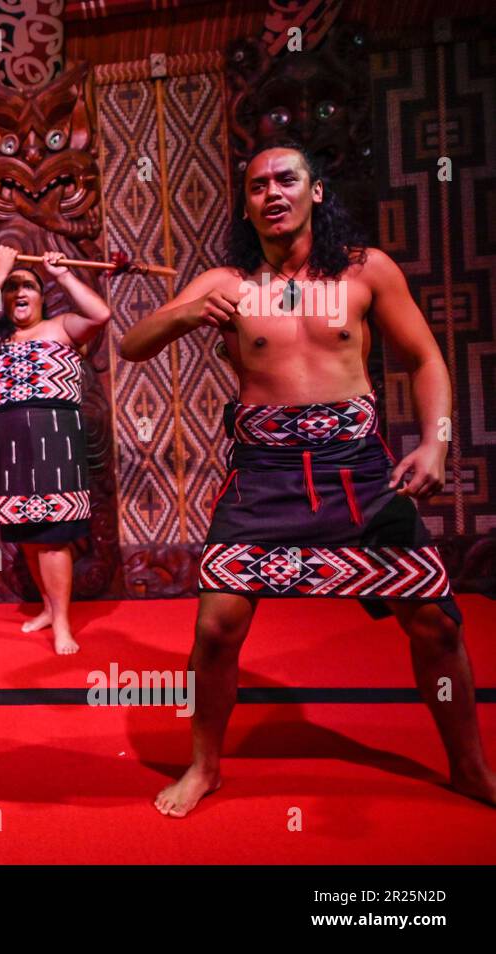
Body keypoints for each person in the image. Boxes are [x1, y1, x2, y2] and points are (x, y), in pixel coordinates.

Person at [120, 142, 495, 817]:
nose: (272, 192)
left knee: (436, 624)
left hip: (359, 474)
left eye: (286, 179)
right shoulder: (225, 283)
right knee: (215, 629)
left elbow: (426, 359)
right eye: (257, 184)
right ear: (245, 203)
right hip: (263, 477)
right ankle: (204, 767)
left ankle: (469, 766)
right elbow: (131, 343)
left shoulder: (364, 272)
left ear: (315, 192)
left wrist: (437, 446)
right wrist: (181, 314)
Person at [0, 245, 112, 654]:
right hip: (8, 441)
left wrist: (61, 274)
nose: (19, 292)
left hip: (55, 434)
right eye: (12, 289)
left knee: (53, 535)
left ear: (42, 296)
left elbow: (100, 314)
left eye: (28, 285)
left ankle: (63, 623)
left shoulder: (62, 327)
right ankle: (47, 608)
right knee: (27, 535)